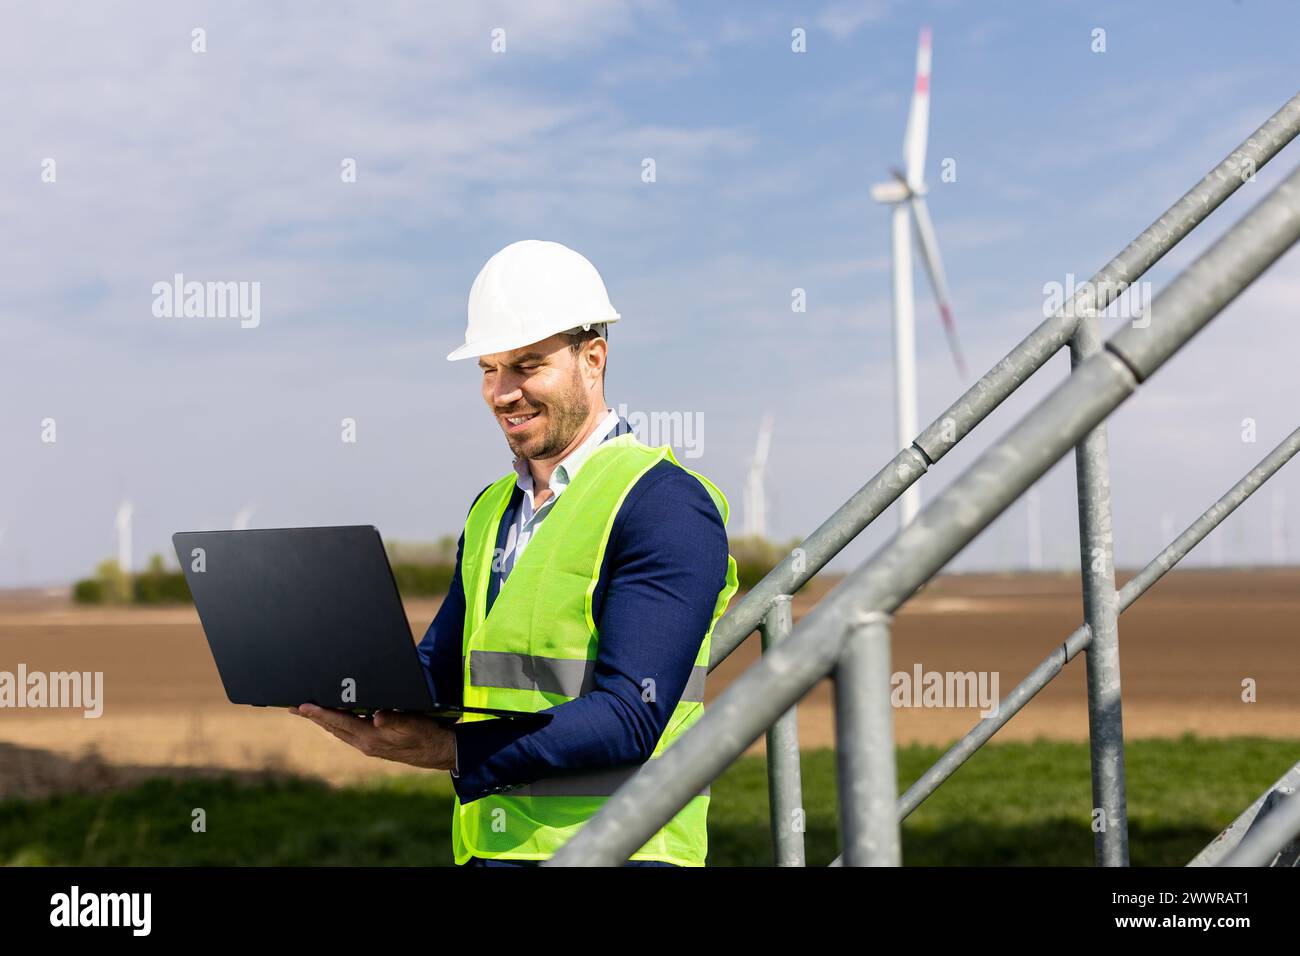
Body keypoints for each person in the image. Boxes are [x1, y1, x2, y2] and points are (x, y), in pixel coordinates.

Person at [293, 239, 738, 866]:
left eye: (527, 365)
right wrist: (344, 678)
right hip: (490, 847)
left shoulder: (662, 504)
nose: (502, 393)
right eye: (488, 369)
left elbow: (630, 715)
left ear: (593, 358)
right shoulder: (491, 509)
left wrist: (452, 753)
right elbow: (444, 671)